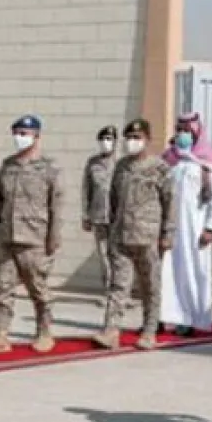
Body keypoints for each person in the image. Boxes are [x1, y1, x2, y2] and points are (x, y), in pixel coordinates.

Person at [0, 115, 64, 354]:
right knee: (2, 288)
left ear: (37, 136)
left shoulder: (48, 169)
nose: (19, 138)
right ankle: (0, 335)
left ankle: (44, 332)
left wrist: (53, 239)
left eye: (24, 133)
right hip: (7, 236)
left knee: (38, 288)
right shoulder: (7, 165)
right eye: (17, 133)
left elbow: (56, 207)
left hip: (34, 239)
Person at [94, 118, 175, 351]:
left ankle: (149, 330)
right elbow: (114, 199)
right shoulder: (121, 166)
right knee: (119, 285)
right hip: (121, 235)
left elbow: (169, 202)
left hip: (148, 236)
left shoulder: (159, 168)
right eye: (129, 138)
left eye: (137, 138)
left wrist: (167, 233)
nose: (132, 142)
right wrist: (112, 227)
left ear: (148, 140)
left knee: (150, 285)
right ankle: (111, 330)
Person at [161, 113, 212, 336]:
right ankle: (168, 317)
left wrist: (209, 227)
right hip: (171, 227)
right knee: (168, 271)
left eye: (187, 131)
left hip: (195, 229)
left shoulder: (207, 162)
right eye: (179, 130)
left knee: (192, 271)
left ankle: (190, 317)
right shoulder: (169, 160)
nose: (182, 135)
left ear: (196, 134)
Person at [82, 125, 120, 296]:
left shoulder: (122, 163)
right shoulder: (92, 163)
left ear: (116, 141)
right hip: (98, 216)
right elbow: (86, 190)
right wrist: (85, 215)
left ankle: (120, 292)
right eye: (103, 139)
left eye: (110, 139)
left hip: (117, 218)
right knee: (104, 256)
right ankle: (108, 291)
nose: (106, 143)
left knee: (118, 256)